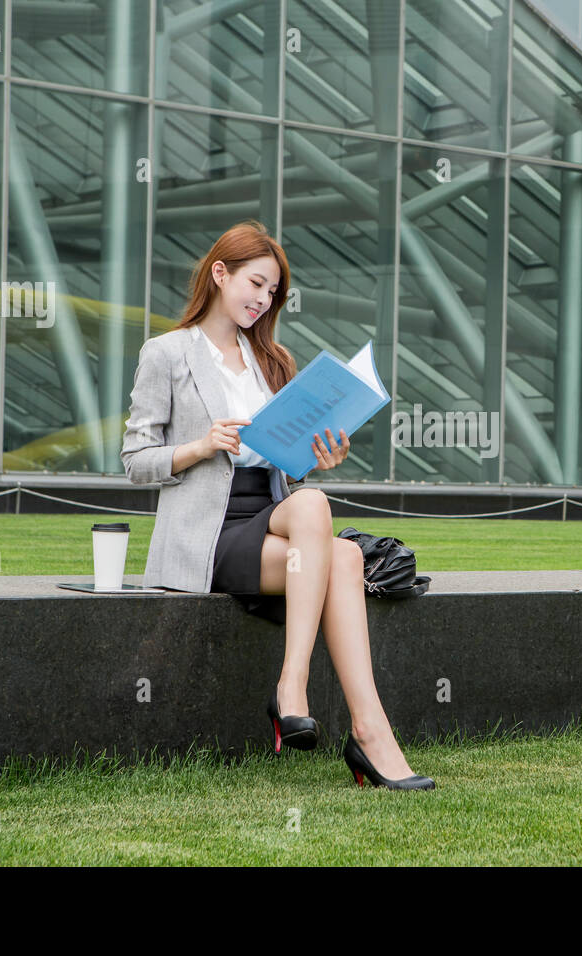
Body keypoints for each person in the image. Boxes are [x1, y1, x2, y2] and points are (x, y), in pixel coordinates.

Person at [120, 220, 434, 791]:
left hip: (270, 512)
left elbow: (284, 470)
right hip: (205, 531)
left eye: (272, 293)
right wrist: (202, 444)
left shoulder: (273, 360)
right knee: (335, 548)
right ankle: (304, 696)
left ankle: (363, 726)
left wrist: (316, 455)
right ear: (220, 274)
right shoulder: (166, 353)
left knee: (325, 524)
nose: (263, 300)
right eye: (256, 284)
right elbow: (135, 460)